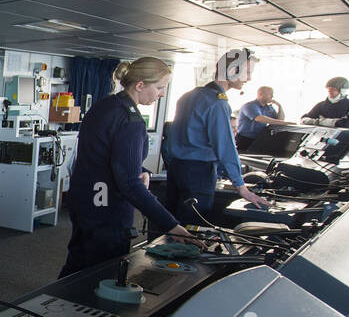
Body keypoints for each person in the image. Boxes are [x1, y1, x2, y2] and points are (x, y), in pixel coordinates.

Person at [60, 57, 193, 278]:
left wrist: (144, 172)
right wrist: (172, 226)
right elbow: (130, 184)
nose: (161, 93)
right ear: (140, 85)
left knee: (78, 263)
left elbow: (105, 157)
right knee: (102, 272)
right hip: (107, 208)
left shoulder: (104, 106)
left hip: (85, 199)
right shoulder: (131, 121)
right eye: (159, 87)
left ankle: (51, 308)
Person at [165, 48, 271, 223]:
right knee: (193, 226)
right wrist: (241, 187)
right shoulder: (218, 102)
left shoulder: (188, 96)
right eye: (247, 72)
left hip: (176, 168)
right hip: (199, 173)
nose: (249, 78)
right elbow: (225, 147)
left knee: (172, 223)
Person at [235, 86, 284, 151]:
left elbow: (279, 120)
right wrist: (284, 123)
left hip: (259, 139)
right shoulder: (250, 105)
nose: (272, 96)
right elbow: (259, 118)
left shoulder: (268, 108)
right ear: (260, 94)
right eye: (270, 94)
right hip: (245, 139)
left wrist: (279, 106)